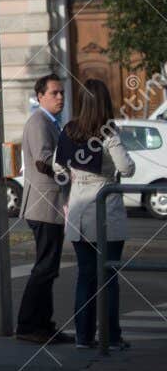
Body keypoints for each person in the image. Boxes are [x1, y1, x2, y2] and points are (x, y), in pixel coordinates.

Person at [55, 78, 135, 351]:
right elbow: (127, 168)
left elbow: (58, 167)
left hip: (78, 211)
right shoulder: (108, 133)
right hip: (105, 213)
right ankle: (111, 336)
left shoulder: (69, 130)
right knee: (109, 277)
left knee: (85, 277)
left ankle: (83, 336)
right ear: (105, 102)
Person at [15, 74, 70, 343]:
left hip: (50, 205)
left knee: (48, 268)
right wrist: (73, 167)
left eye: (62, 93)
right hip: (43, 205)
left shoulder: (51, 122)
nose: (60, 97)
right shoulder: (39, 122)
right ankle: (28, 326)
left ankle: (43, 326)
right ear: (40, 97)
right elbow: (44, 160)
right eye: (54, 93)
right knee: (44, 268)